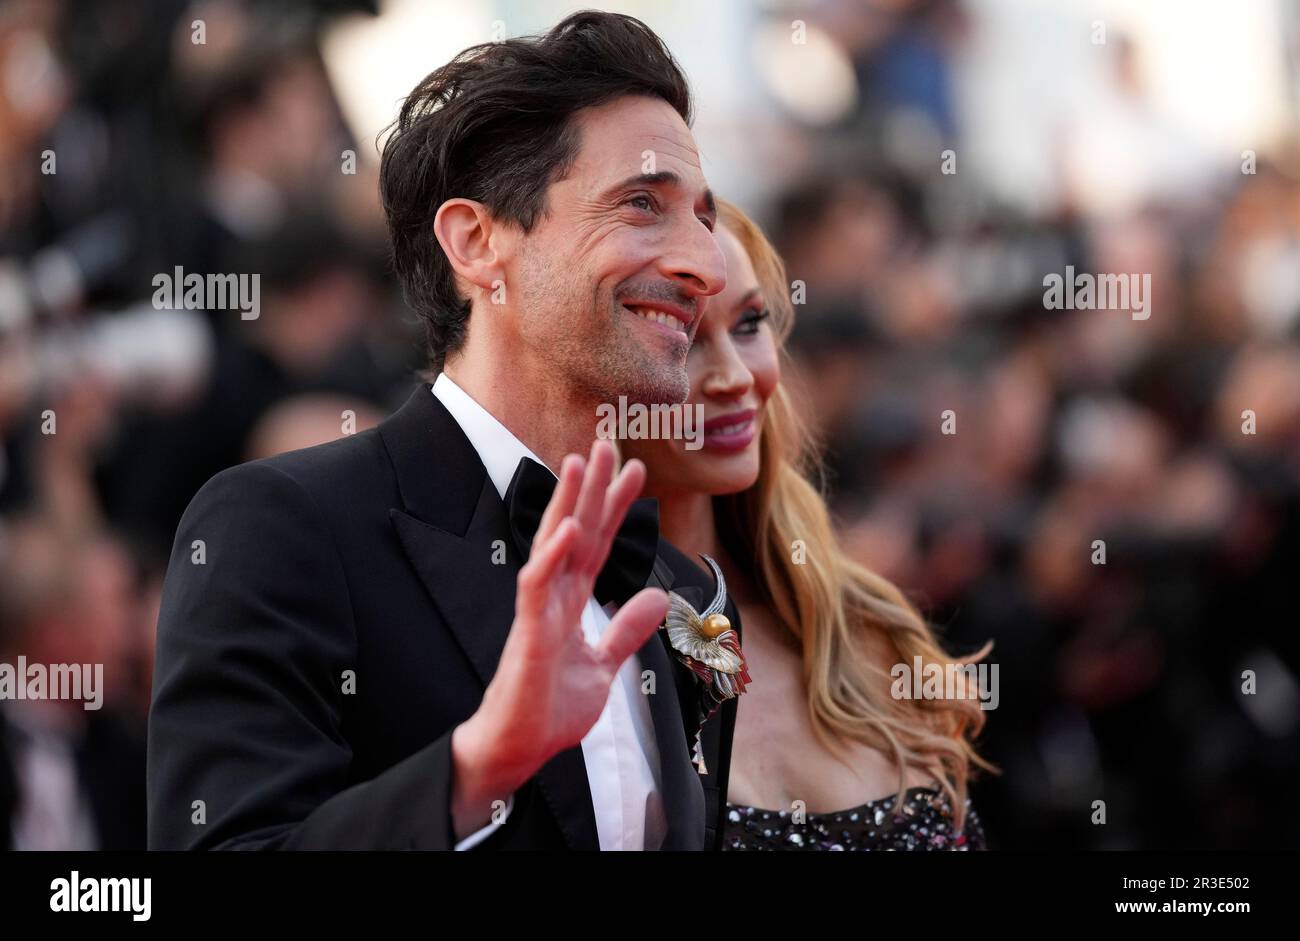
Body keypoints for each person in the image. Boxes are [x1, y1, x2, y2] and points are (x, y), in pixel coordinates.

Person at [147, 12, 740, 851]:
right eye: (643, 204)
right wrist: (477, 766)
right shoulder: (282, 528)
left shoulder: (684, 595)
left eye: (705, 220)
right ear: (476, 241)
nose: (705, 266)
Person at [621, 200, 995, 850]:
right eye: (680, 335)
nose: (734, 376)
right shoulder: (579, 659)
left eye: (748, 323)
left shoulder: (860, 624)